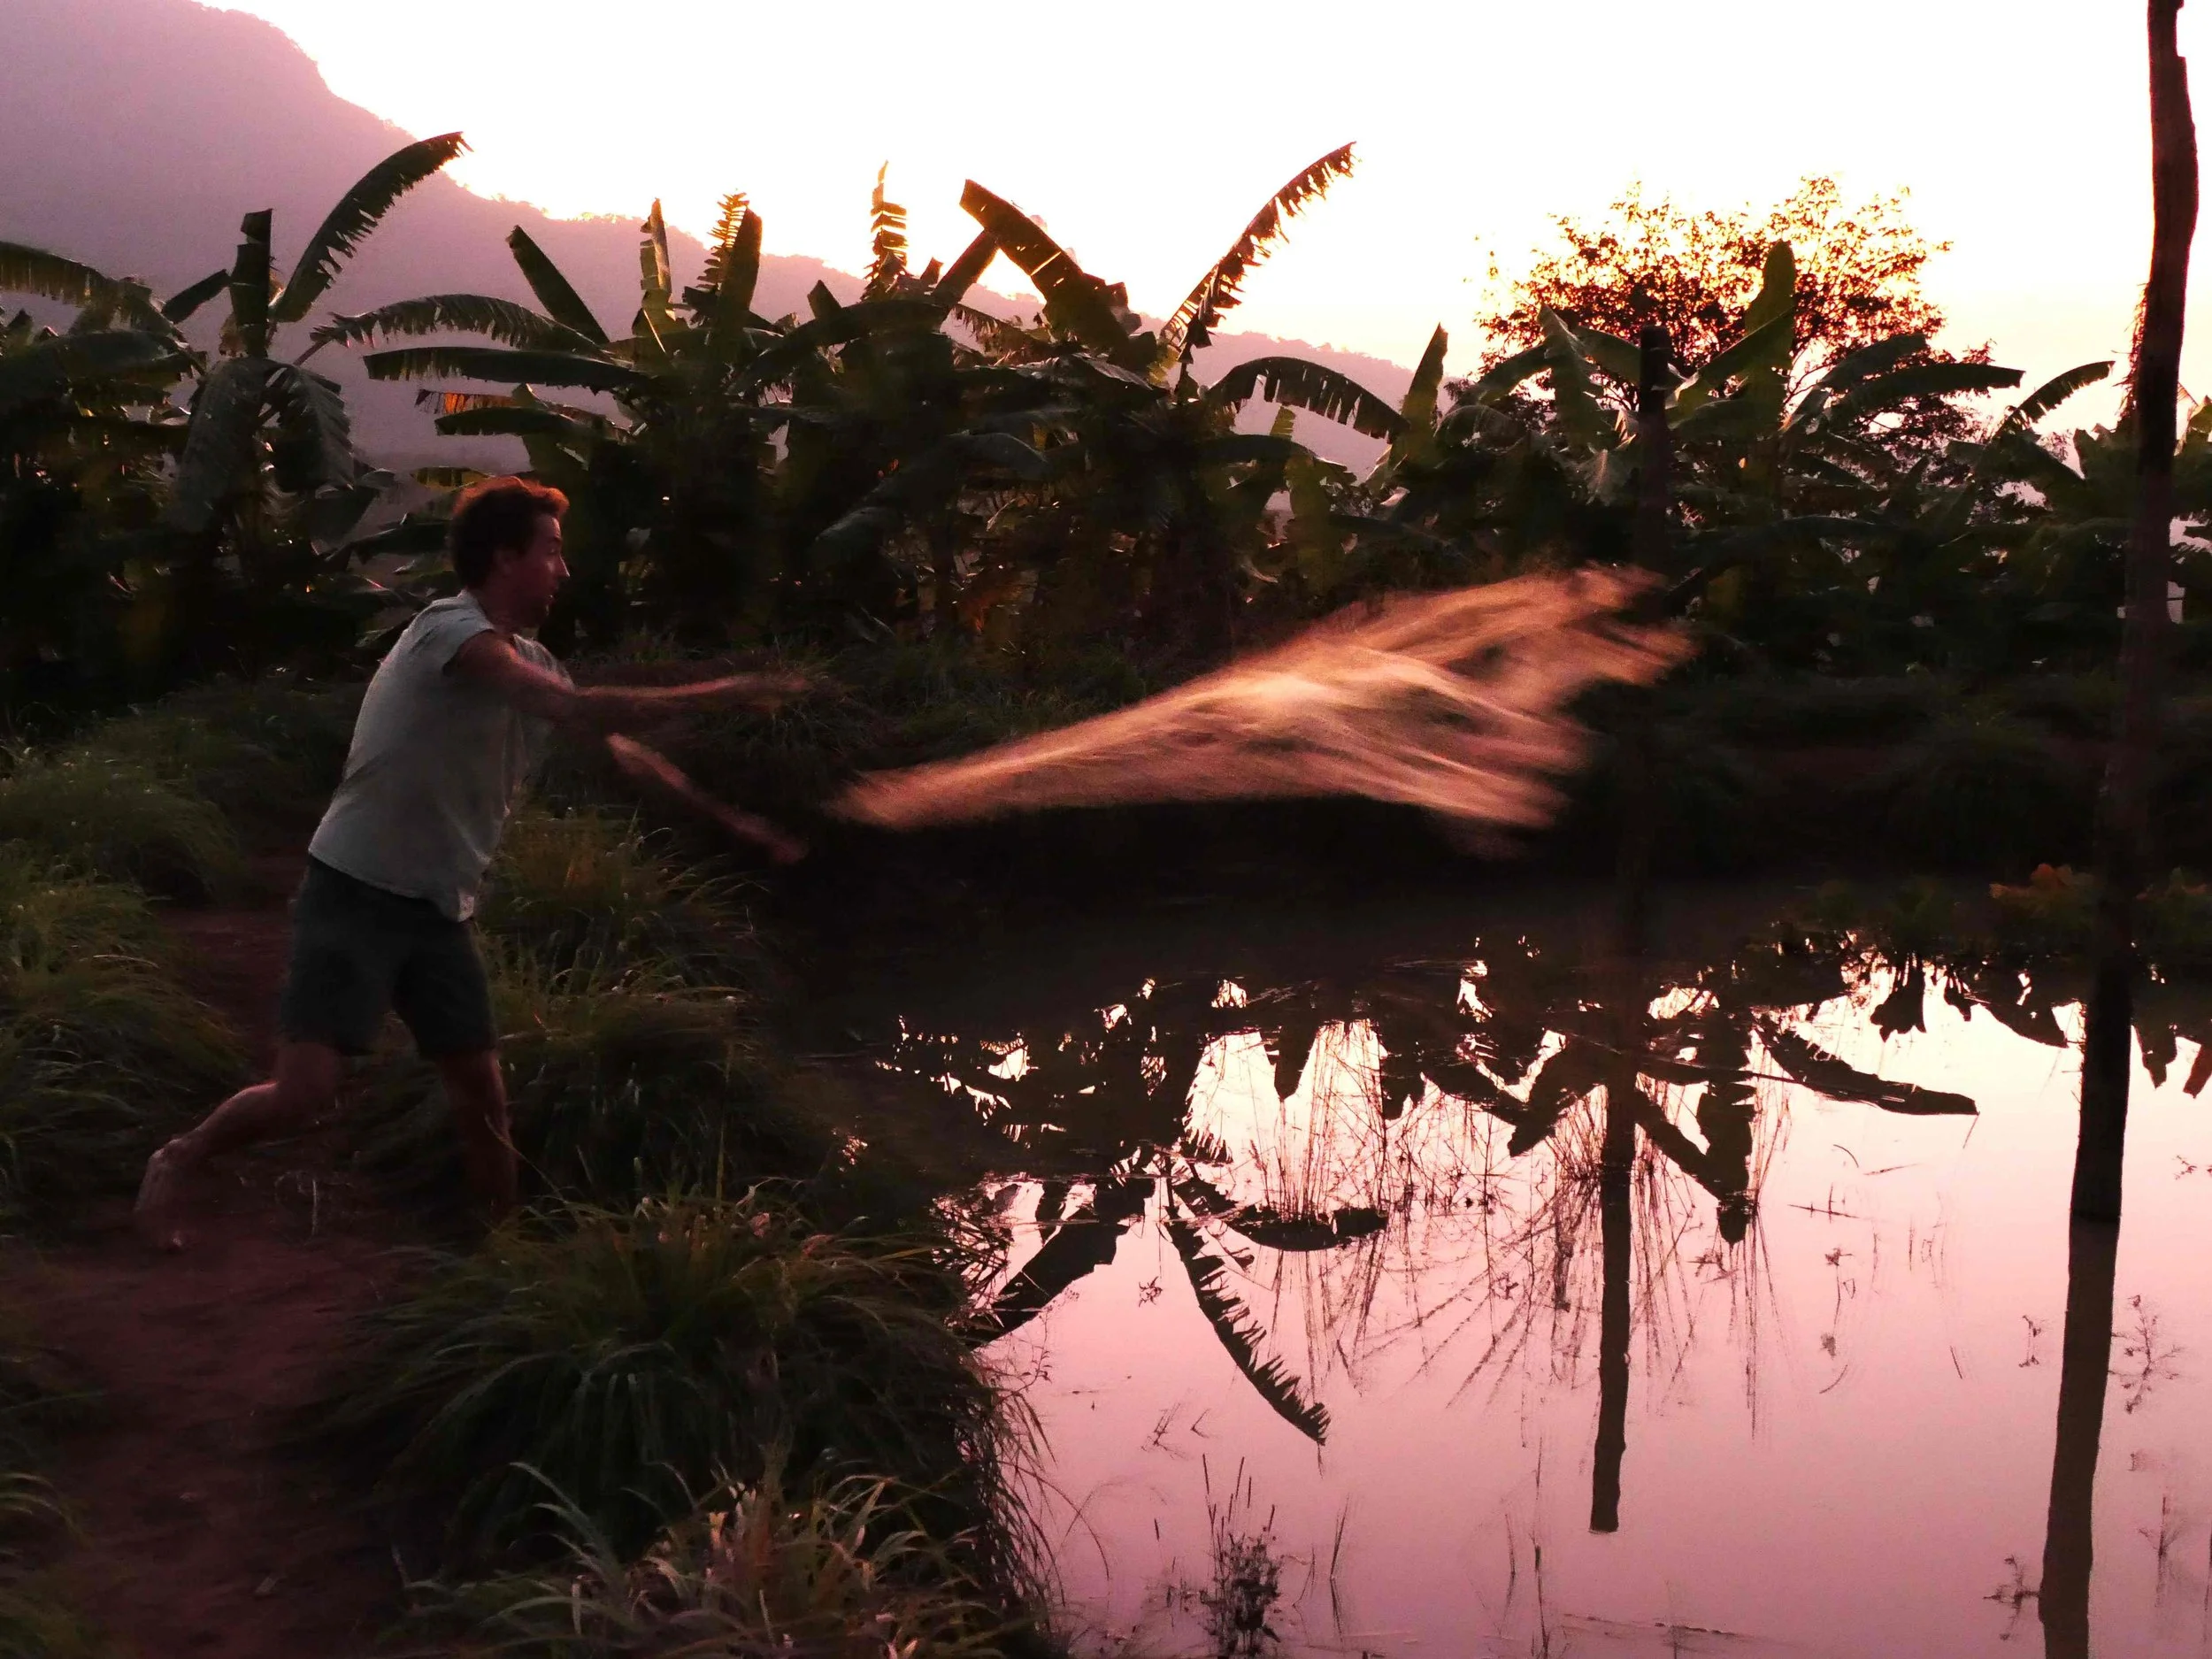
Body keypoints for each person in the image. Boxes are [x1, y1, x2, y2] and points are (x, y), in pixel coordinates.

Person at [134, 476, 805, 1251]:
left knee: (482, 1093)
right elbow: (571, 707)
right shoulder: (448, 632)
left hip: (438, 906)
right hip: (355, 889)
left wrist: (733, 822)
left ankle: (500, 1252)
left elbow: (627, 753)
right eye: (551, 551)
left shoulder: (538, 659)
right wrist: (725, 692)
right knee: (303, 1091)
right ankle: (178, 1157)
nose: (563, 569)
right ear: (505, 557)